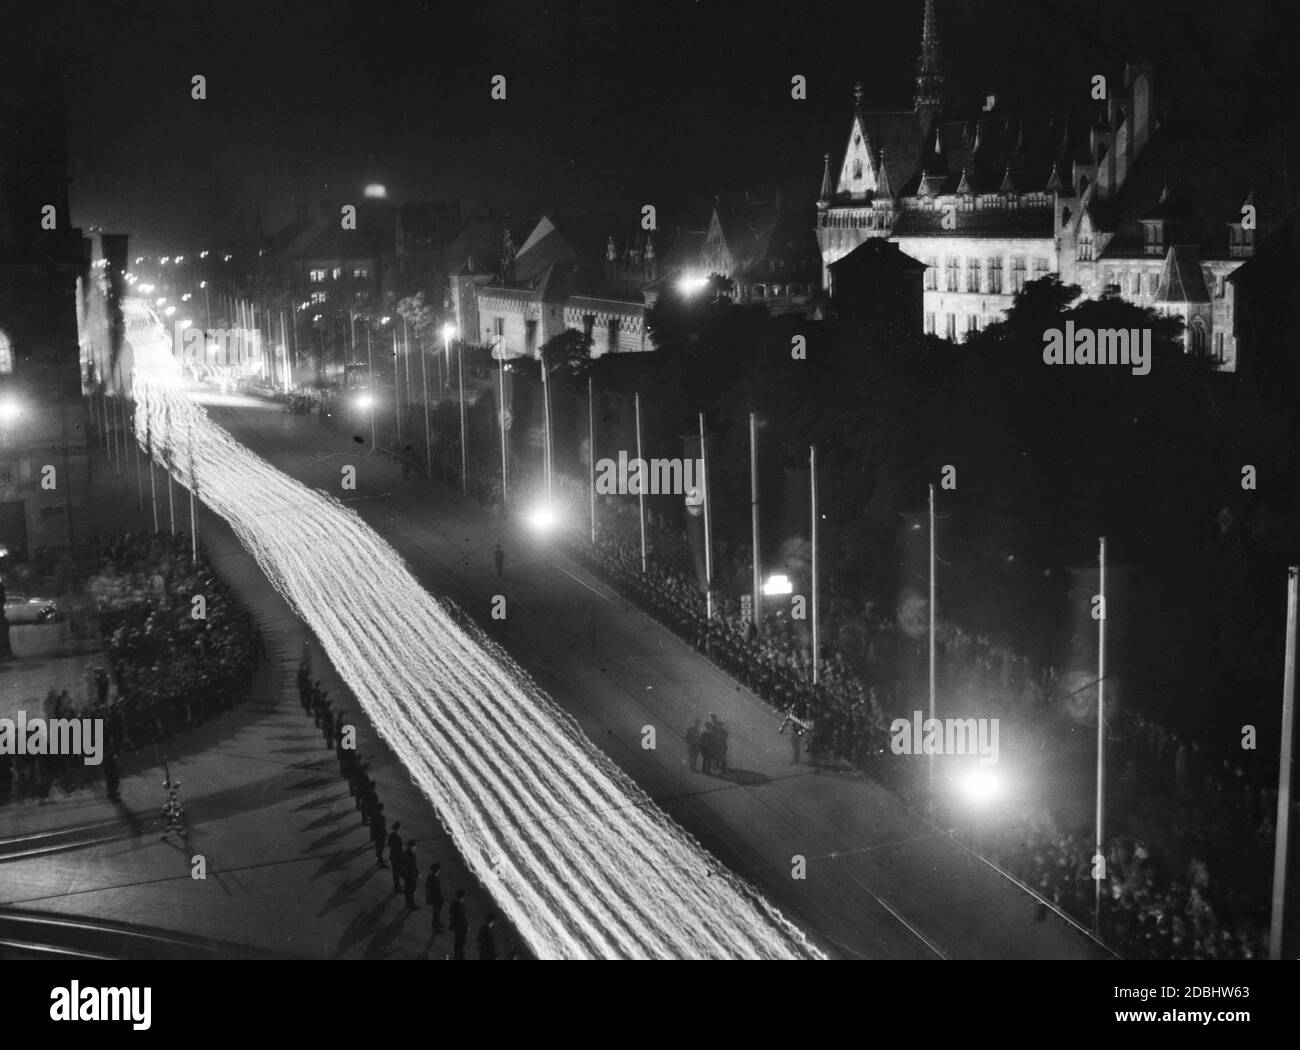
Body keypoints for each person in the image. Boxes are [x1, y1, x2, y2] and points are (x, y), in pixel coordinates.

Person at [449, 890, 468, 960]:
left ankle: (457, 957)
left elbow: (452, 914)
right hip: (460, 927)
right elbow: (460, 917)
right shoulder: (459, 905)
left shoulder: (455, 904)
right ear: (462, 897)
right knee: (460, 944)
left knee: (458, 943)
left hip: (458, 927)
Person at [425, 862, 444, 931]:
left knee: (437, 913)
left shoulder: (433, 877)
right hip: (435, 899)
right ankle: (435, 928)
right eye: (439, 869)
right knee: (436, 913)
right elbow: (431, 890)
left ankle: (437, 924)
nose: (440, 871)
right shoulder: (433, 878)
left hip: (436, 899)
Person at [387, 822, 404, 891]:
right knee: (397, 872)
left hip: (392, 855)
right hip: (397, 857)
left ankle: (397, 885)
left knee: (395, 872)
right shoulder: (398, 838)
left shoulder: (391, 836)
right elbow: (400, 849)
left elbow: (389, 844)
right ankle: (397, 887)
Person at [402, 843, 420, 909]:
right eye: (414, 847)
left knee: (408, 889)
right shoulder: (410, 855)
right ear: (411, 847)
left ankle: (408, 903)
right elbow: (411, 866)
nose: (415, 848)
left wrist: (417, 872)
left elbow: (413, 865)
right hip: (410, 875)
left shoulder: (408, 854)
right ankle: (411, 905)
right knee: (411, 890)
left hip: (409, 875)